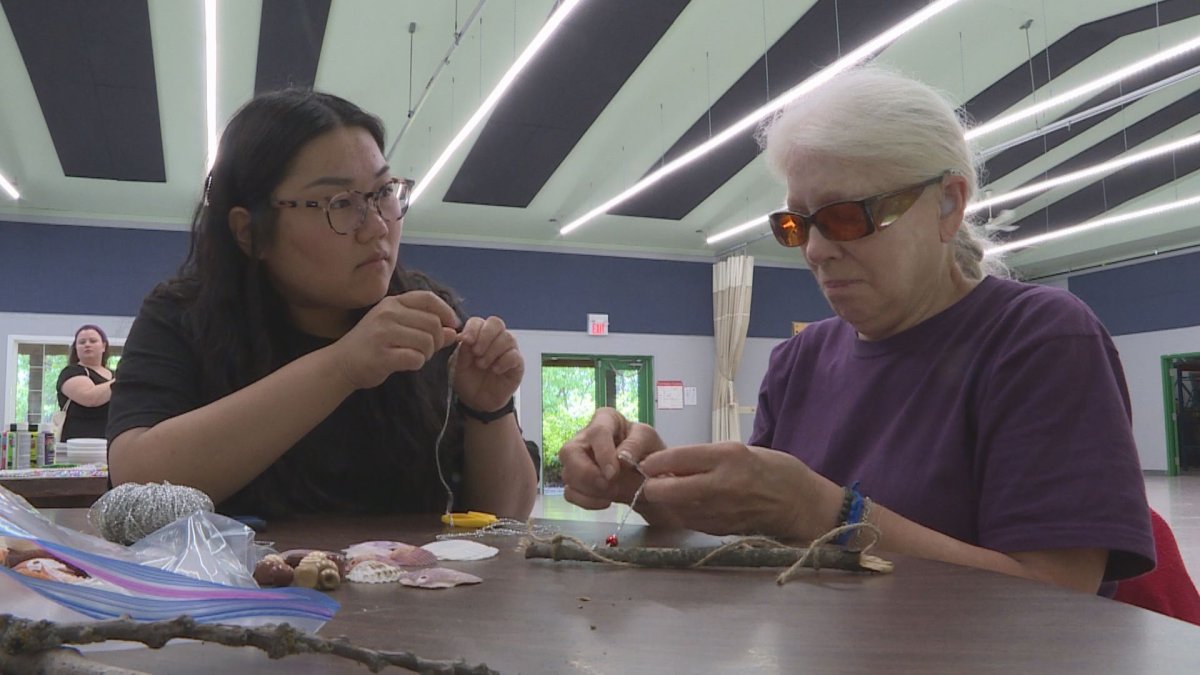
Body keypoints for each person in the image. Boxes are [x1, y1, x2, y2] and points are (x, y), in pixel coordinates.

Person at [560, 66, 1155, 595]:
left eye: (846, 217)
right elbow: (755, 530)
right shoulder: (800, 360)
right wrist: (648, 482)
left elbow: (1059, 592)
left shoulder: (1039, 339)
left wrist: (823, 512)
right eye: (798, 224)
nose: (816, 251)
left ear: (947, 205)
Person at [107, 89, 536, 519]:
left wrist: (490, 408)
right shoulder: (182, 315)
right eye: (340, 203)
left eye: (384, 191)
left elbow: (505, 521)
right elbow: (137, 482)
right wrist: (342, 366)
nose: (378, 227)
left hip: (410, 583)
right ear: (250, 232)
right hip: (236, 584)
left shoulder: (428, 318)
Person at [55, 324, 116, 441]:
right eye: (82, 342)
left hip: (112, 442)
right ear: (76, 348)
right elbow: (90, 398)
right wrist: (125, 378)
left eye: (93, 341)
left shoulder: (115, 375)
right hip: (77, 445)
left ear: (103, 346)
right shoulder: (71, 372)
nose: (87, 344)